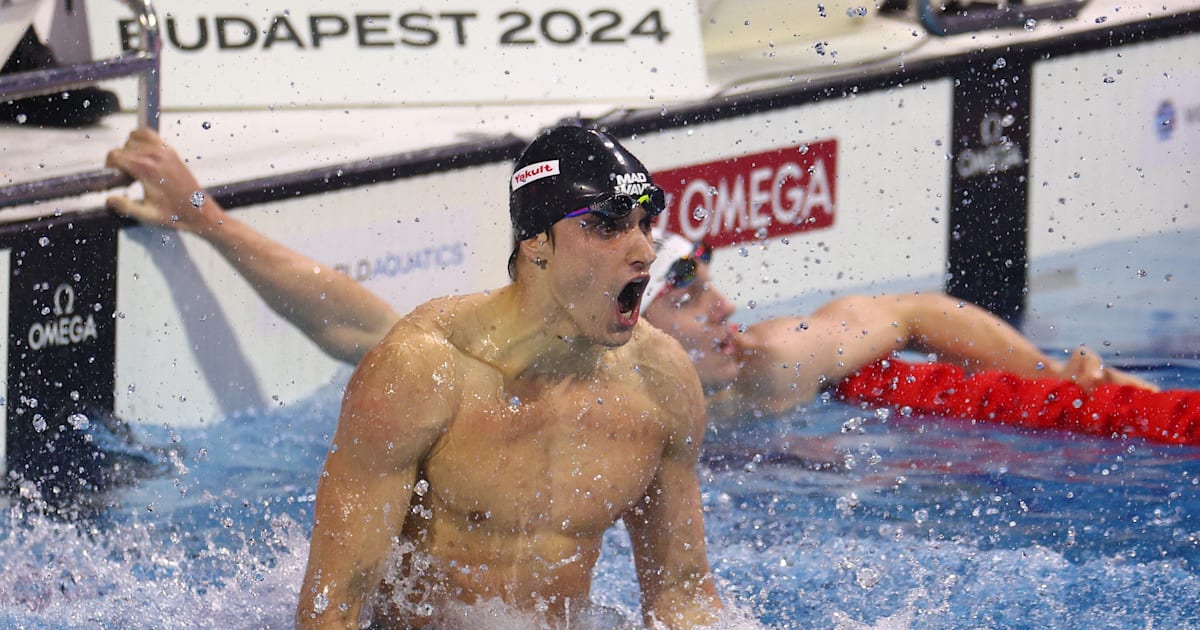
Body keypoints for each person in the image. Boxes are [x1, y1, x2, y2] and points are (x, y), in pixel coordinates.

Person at [105, 128, 1155, 429]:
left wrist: (1064, 382)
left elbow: (909, 311)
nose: (729, 307)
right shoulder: (509, 366)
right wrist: (200, 213)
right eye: (689, 292)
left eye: (695, 275)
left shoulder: (764, 375)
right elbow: (353, 323)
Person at [111, 126, 721, 627]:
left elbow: (684, 600)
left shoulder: (660, 381)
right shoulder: (426, 371)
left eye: (645, 223)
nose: (642, 249)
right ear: (537, 244)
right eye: (609, 226)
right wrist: (202, 215)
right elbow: (331, 612)